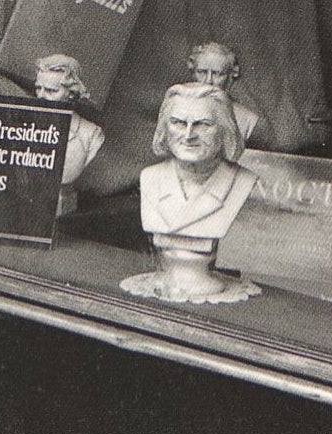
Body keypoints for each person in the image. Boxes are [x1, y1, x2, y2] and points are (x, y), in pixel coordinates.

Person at [123, 82, 259, 305]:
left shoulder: (241, 182)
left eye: (202, 124)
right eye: (177, 123)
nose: (188, 135)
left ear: (224, 129)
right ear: (164, 128)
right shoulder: (150, 178)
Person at [32, 52, 105, 218]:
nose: (41, 96)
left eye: (51, 91)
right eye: (38, 88)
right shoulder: (26, 128)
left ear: (71, 93)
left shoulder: (90, 134)